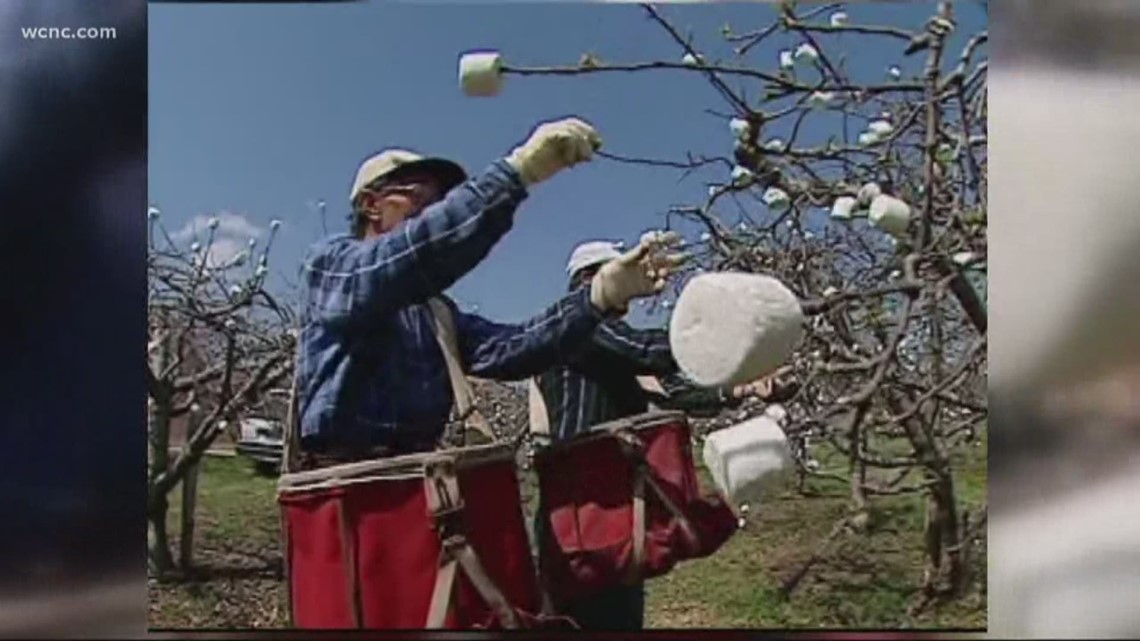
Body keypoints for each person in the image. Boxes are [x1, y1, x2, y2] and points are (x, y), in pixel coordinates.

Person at [293, 118, 685, 467]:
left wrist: (598, 297)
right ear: (371, 205)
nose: (436, 212)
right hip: (343, 489)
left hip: (416, 485)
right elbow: (408, 255)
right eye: (423, 198)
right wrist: (516, 174)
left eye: (443, 204)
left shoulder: (435, 314)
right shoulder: (332, 266)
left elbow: (512, 347)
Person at [530, 240, 797, 631]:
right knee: (587, 604)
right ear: (595, 278)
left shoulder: (609, 343)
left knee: (616, 593)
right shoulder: (578, 324)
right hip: (583, 501)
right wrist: (708, 333)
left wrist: (744, 390)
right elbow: (647, 350)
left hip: (611, 500)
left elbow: (676, 390)